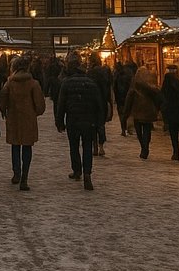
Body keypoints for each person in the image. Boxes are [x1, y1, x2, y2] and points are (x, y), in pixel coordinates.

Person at [55, 57, 104, 190]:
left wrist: (59, 121)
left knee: (74, 146)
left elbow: (61, 104)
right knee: (87, 146)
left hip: (73, 119)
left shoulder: (66, 83)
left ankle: (77, 170)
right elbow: (98, 104)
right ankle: (87, 173)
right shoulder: (91, 83)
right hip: (89, 120)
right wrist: (99, 122)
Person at [0, 55, 46, 191]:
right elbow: (40, 105)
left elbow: (2, 101)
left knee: (15, 146)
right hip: (28, 120)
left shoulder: (9, 83)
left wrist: (5, 110)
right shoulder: (33, 84)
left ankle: (16, 173)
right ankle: (24, 178)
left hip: (13, 118)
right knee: (27, 147)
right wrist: (33, 113)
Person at [127, 63, 161, 160]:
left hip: (137, 111)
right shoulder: (151, 86)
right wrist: (157, 109)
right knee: (147, 130)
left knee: (139, 131)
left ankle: (143, 147)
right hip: (148, 112)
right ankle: (145, 147)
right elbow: (157, 97)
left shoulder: (135, 84)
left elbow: (129, 97)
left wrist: (126, 112)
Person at [160, 65, 179, 161]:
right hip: (178, 110)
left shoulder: (166, 84)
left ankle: (176, 152)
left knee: (173, 133)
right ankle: (176, 152)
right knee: (175, 130)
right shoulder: (178, 84)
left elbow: (162, 97)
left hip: (169, 110)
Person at [87, 53, 113, 156]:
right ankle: (101, 146)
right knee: (101, 124)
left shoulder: (90, 72)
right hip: (102, 101)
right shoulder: (104, 71)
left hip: (91, 101)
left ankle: (95, 146)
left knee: (92, 124)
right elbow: (107, 88)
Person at [113, 60, 136, 136]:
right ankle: (129, 128)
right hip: (128, 96)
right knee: (129, 112)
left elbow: (114, 87)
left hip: (120, 97)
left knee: (121, 113)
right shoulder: (129, 74)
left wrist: (115, 97)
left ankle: (123, 129)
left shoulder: (117, 74)